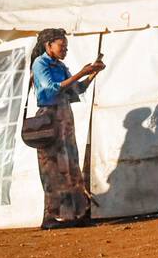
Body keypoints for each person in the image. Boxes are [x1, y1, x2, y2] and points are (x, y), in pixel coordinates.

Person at [30, 29, 104, 230]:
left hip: (64, 116)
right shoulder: (40, 64)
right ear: (49, 46)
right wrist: (81, 72)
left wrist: (92, 73)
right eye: (62, 46)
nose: (65, 50)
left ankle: (74, 214)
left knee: (71, 164)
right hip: (50, 117)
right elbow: (50, 89)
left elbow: (76, 89)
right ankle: (52, 216)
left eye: (66, 47)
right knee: (52, 166)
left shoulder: (60, 66)